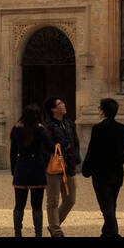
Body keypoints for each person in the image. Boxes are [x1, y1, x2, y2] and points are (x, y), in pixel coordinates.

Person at [81, 97, 124, 237]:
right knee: (111, 204)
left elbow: (93, 151)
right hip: (117, 173)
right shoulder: (122, 128)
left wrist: (86, 169)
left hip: (102, 174)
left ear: (102, 112)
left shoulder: (98, 128)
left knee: (106, 207)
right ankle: (106, 233)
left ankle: (114, 234)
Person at [9, 103, 52, 237]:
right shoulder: (39, 130)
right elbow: (50, 147)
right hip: (37, 169)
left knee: (19, 205)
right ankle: (38, 234)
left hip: (21, 167)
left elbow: (12, 153)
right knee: (37, 206)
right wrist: (61, 144)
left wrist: (13, 170)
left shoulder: (16, 129)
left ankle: (17, 233)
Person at [41, 96, 80, 236]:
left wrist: (75, 158)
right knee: (53, 201)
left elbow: (75, 143)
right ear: (53, 109)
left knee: (70, 200)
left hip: (68, 166)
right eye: (60, 104)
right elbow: (46, 147)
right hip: (53, 168)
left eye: (63, 102)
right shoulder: (47, 126)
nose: (63, 105)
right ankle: (56, 230)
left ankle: (53, 225)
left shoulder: (69, 124)